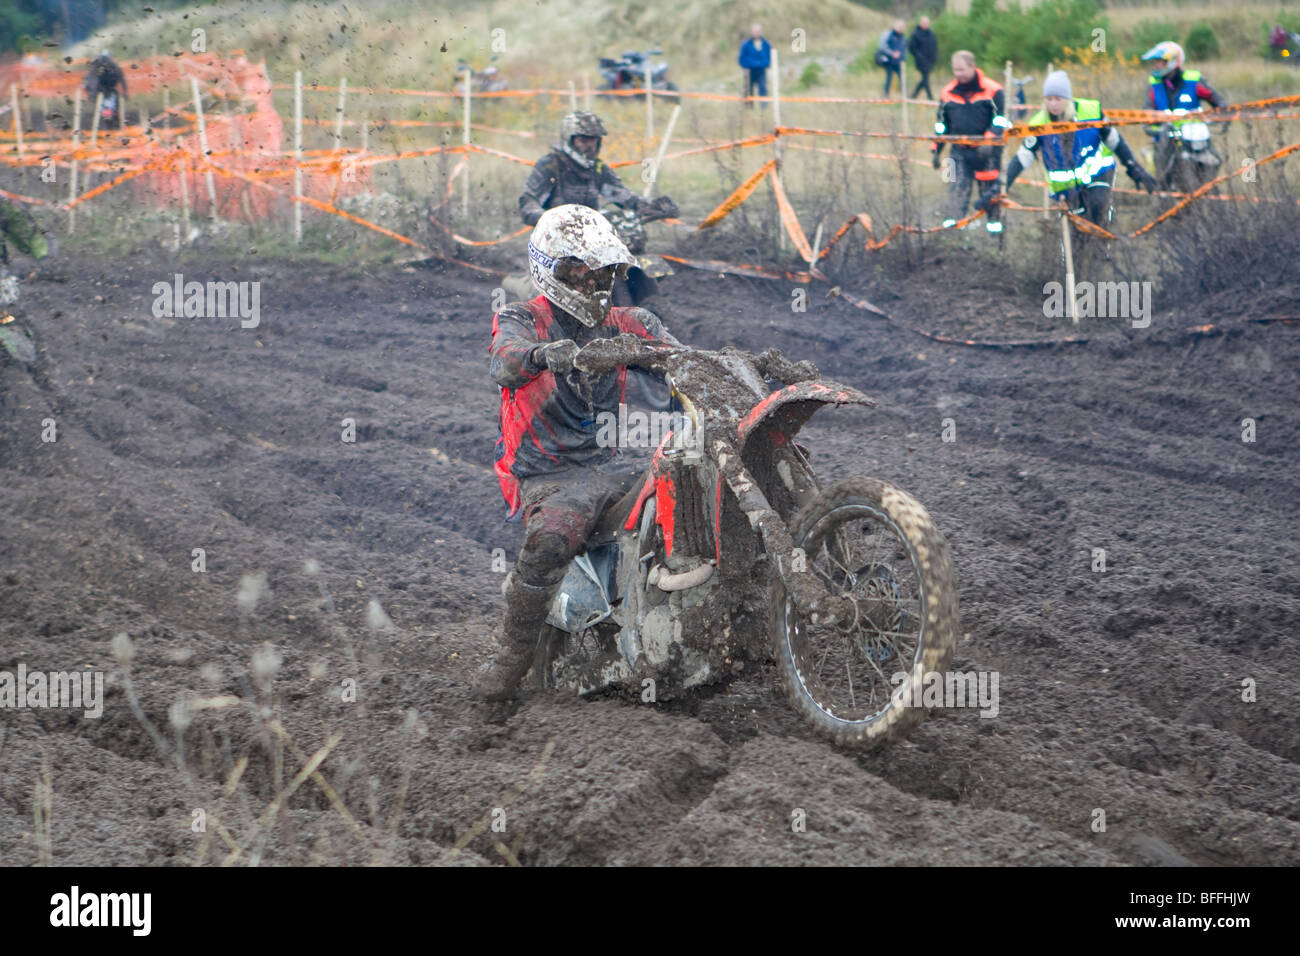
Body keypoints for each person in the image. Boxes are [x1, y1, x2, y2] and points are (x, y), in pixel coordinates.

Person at [473, 204, 682, 701]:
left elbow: (681, 359)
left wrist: (721, 368)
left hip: (620, 459)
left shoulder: (632, 320)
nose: (593, 283)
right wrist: (546, 355)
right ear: (552, 269)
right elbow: (505, 361)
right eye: (580, 272)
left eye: (602, 271)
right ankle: (508, 662)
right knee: (552, 540)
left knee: (692, 475)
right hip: (554, 472)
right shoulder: (523, 318)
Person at [1003, 71, 1156, 229]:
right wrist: (1001, 186)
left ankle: (1104, 247)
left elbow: (1115, 141)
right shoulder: (1038, 124)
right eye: (1049, 99)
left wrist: (1134, 167)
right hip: (1066, 188)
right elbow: (1023, 157)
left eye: (1058, 99)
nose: (1053, 104)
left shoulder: (1091, 111)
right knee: (1078, 229)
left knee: (1098, 210)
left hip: (1099, 174)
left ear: (1067, 99)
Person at [930, 51, 1011, 234]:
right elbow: (942, 124)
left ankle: (994, 235)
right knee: (955, 191)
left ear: (973, 66)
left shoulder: (993, 90)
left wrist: (988, 141)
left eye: (962, 69)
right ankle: (953, 234)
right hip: (958, 151)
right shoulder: (947, 92)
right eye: (955, 70)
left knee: (990, 195)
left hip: (988, 153)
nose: (958, 74)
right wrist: (936, 149)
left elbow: (1001, 120)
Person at [1141, 41, 1226, 174]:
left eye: (1160, 61)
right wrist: (1155, 126)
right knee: (1162, 179)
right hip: (1165, 142)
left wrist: (1214, 118)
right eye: (1155, 61)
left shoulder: (1193, 80)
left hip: (1196, 140)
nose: (1156, 65)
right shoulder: (1154, 84)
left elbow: (1219, 102)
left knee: (1213, 163)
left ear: (1172, 62)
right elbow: (1146, 113)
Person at [83, 49, 127, 128]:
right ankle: (102, 125)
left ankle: (112, 124)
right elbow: (91, 81)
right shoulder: (96, 68)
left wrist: (125, 92)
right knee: (100, 110)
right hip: (100, 92)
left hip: (108, 91)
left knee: (111, 109)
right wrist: (91, 93)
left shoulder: (113, 67)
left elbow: (121, 78)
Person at [738, 24, 772, 106]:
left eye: (758, 31)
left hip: (761, 70)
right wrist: (746, 66)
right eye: (755, 31)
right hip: (749, 70)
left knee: (763, 87)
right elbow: (741, 58)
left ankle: (764, 107)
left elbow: (769, 57)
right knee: (748, 89)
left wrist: (764, 64)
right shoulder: (746, 44)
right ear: (752, 32)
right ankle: (748, 106)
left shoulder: (766, 44)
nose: (756, 33)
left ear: (761, 32)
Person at [908, 16, 938, 99]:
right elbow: (912, 48)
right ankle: (930, 97)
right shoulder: (915, 34)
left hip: (930, 61)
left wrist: (934, 58)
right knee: (925, 78)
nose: (926, 25)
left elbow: (934, 47)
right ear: (920, 23)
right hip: (920, 61)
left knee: (924, 79)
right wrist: (919, 57)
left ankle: (913, 95)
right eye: (924, 23)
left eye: (927, 23)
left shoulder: (931, 34)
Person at [878, 20, 906, 97]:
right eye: (900, 26)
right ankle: (885, 95)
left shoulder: (903, 37)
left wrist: (903, 58)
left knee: (902, 79)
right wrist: (892, 53)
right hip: (890, 61)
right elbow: (882, 47)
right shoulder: (889, 35)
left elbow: (904, 49)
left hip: (899, 62)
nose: (901, 28)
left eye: (902, 27)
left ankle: (904, 95)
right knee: (889, 79)